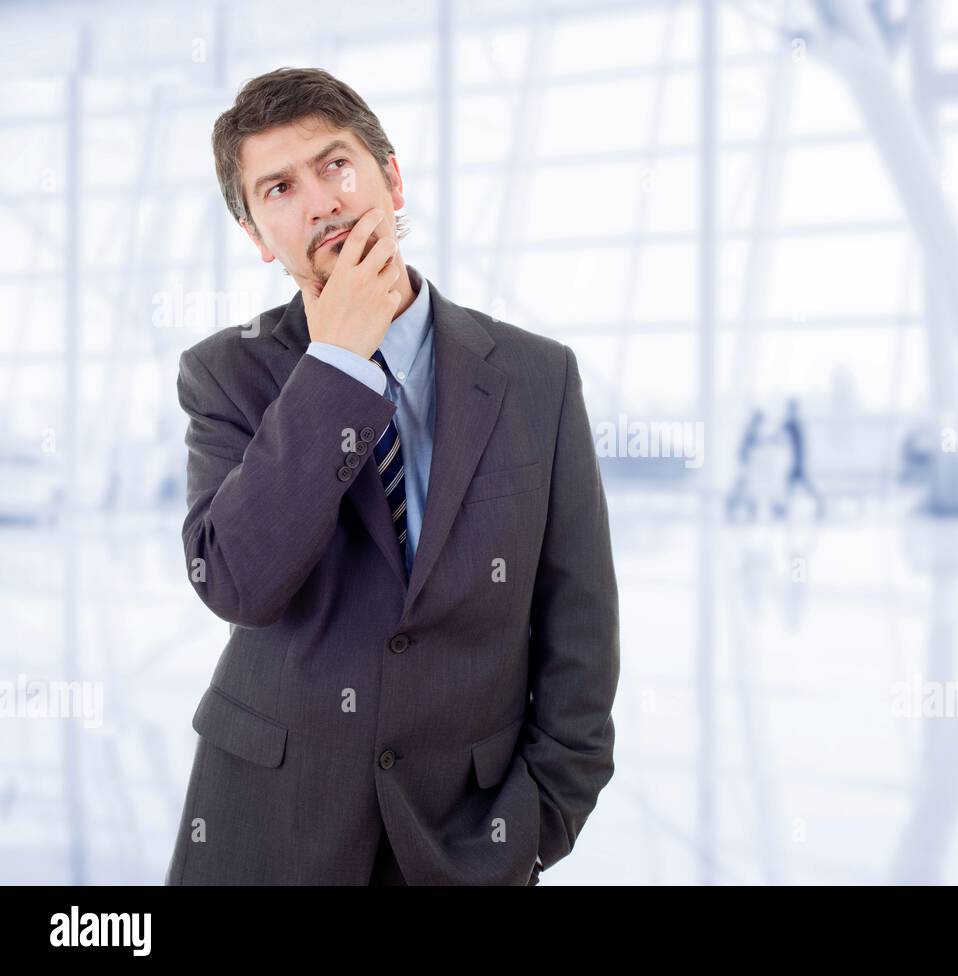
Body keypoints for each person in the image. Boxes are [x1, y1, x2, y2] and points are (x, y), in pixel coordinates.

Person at [164, 68, 619, 886]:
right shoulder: (224, 375)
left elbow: (578, 631)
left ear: (392, 178)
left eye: (336, 164)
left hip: (465, 841)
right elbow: (233, 580)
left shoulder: (536, 376)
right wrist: (334, 363)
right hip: (267, 832)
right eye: (279, 187)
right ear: (258, 234)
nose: (320, 201)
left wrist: (537, 824)